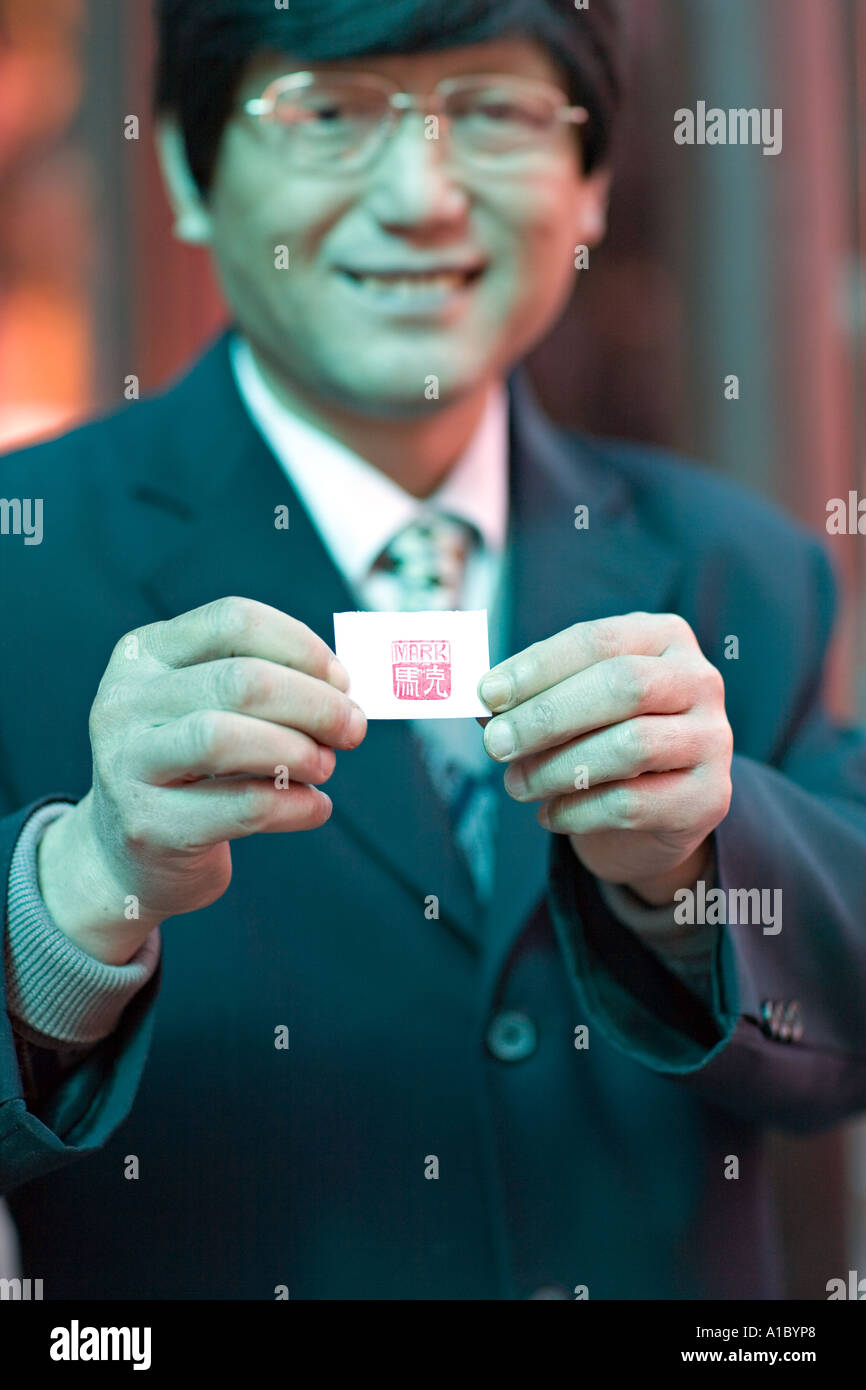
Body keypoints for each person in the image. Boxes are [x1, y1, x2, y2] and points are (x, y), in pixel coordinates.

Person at [1, 0, 865, 1301]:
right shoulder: (25, 563)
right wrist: (73, 898)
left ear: (587, 188)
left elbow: (841, 1025)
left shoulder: (733, 563)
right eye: (331, 111)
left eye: (495, 112)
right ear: (187, 165)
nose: (420, 196)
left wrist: (696, 868)